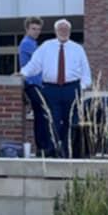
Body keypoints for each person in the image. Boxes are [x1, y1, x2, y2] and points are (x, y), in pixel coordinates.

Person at [17, 18, 92, 157]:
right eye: (60, 29)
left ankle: (67, 150)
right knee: (52, 121)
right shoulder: (46, 47)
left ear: (69, 31)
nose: (63, 32)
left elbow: (86, 73)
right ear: (56, 31)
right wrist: (22, 74)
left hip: (72, 89)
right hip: (51, 89)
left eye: (66, 29)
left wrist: (81, 87)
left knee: (71, 121)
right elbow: (34, 65)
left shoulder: (78, 49)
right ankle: (53, 151)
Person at [16, 17, 52, 155]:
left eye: (38, 29)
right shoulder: (27, 44)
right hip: (32, 84)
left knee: (41, 115)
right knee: (42, 115)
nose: (36, 31)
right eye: (33, 29)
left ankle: (43, 147)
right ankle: (43, 148)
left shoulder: (33, 43)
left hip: (37, 84)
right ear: (27, 29)